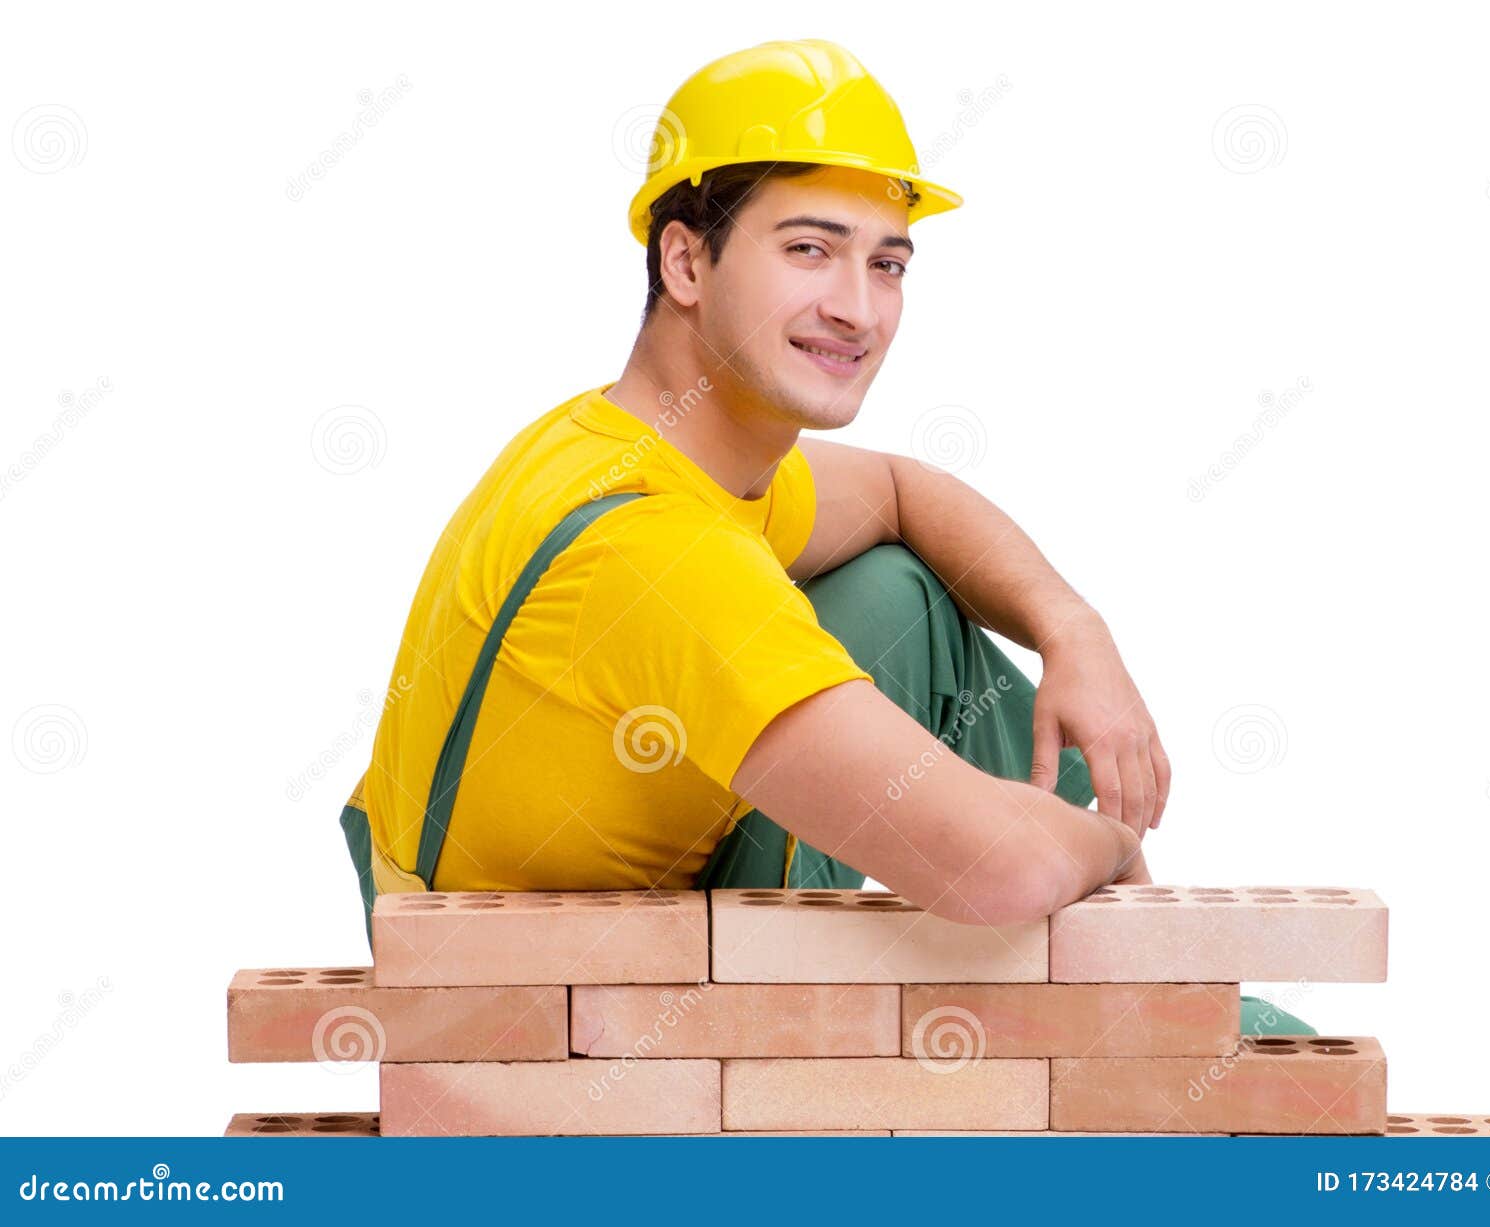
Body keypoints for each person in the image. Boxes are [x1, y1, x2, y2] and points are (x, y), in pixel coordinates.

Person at [337, 38, 1314, 1037]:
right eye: (808, 249)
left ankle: (1145, 982)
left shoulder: (632, 444)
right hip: (543, 1016)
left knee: (895, 594)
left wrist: (1074, 630)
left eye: (886, 264)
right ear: (685, 260)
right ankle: (1171, 1012)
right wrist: (1103, 841)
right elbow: (1002, 871)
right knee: (1021, 857)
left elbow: (896, 491)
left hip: (551, 932)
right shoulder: (654, 550)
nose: (856, 309)